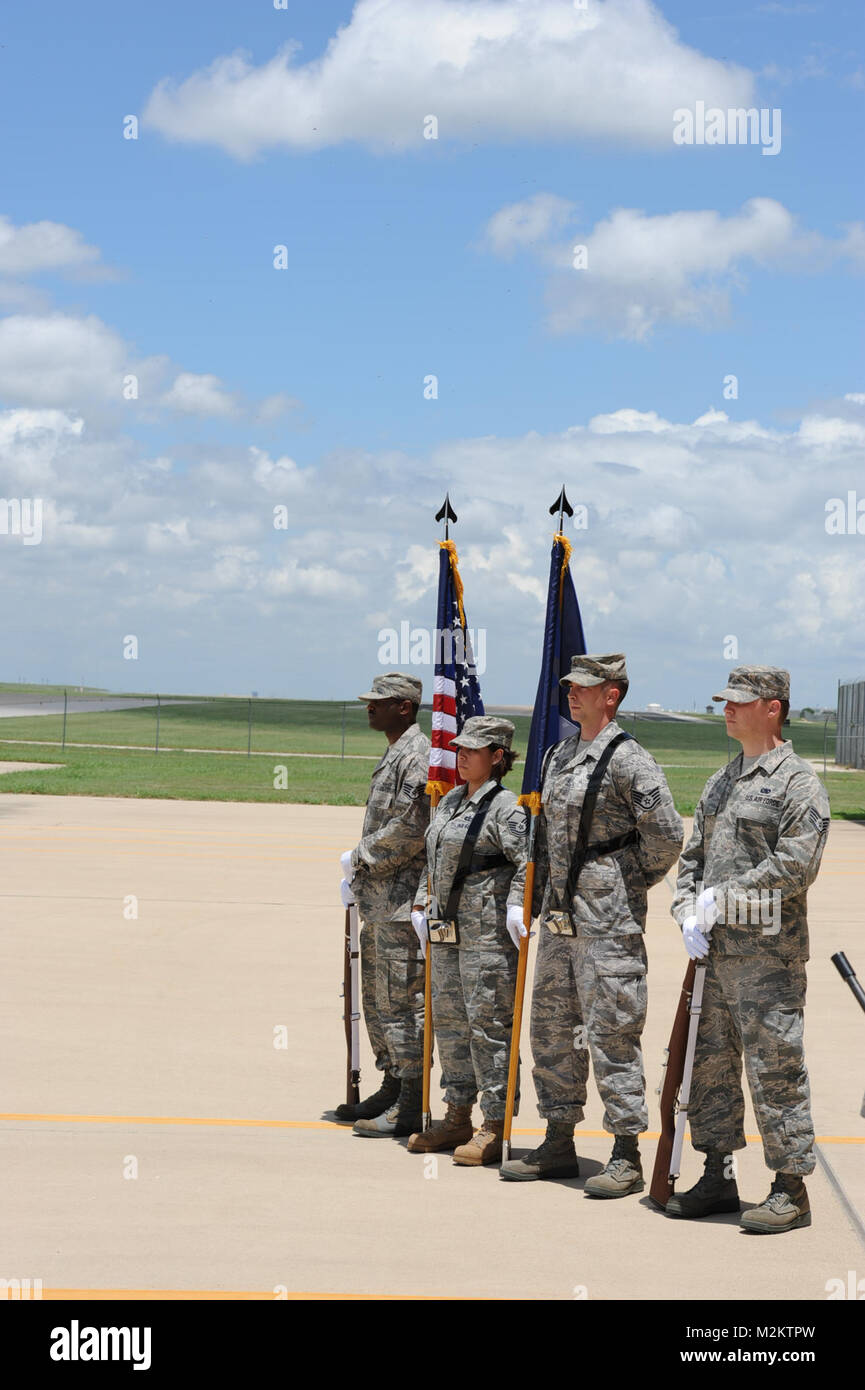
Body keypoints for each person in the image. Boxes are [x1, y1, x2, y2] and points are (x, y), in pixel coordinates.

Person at [501, 654, 683, 1195]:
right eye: (569, 687)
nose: (572, 694)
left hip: (607, 926)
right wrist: (524, 897)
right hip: (558, 921)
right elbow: (541, 836)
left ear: (613, 695)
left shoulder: (631, 761)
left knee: (612, 1032)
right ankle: (559, 1137)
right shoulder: (559, 754)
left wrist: (621, 884)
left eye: (584, 687)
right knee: (553, 1030)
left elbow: (667, 837)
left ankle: (625, 1151)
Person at [668, 665, 830, 1232]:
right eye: (725, 701)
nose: (728, 710)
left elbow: (796, 865)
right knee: (710, 1068)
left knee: (775, 1069)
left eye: (741, 702)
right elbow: (692, 856)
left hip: (769, 959)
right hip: (714, 956)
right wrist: (686, 908)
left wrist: (724, 898)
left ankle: (791, 1188)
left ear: (773, 708)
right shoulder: (721, 780)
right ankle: (717, 1174)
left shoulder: (797, 782)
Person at [406, 716, 529, 1166]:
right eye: (460, 749)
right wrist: (421, 904)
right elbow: (433, 860)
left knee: (489, 1029)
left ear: (497, 757)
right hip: (446, 932)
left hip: (488, 939)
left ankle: (495, 1123)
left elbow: (528, 864)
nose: (462, 757)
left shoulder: (507, 809)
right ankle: (457, 1113)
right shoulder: (451, 801)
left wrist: (517, 906)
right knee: (451, 1025)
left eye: (473, 751)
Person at [333, 672, 431, 1138]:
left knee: (402, 1003)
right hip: (380, 903)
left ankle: (411, 1102)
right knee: (378, 1000)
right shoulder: (396, 752)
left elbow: (411, 829)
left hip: (401, 903)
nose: (370, 707)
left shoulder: (418, 756)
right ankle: (392, 1084)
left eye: (381, 702)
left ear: (406, 707)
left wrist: (362, 857)